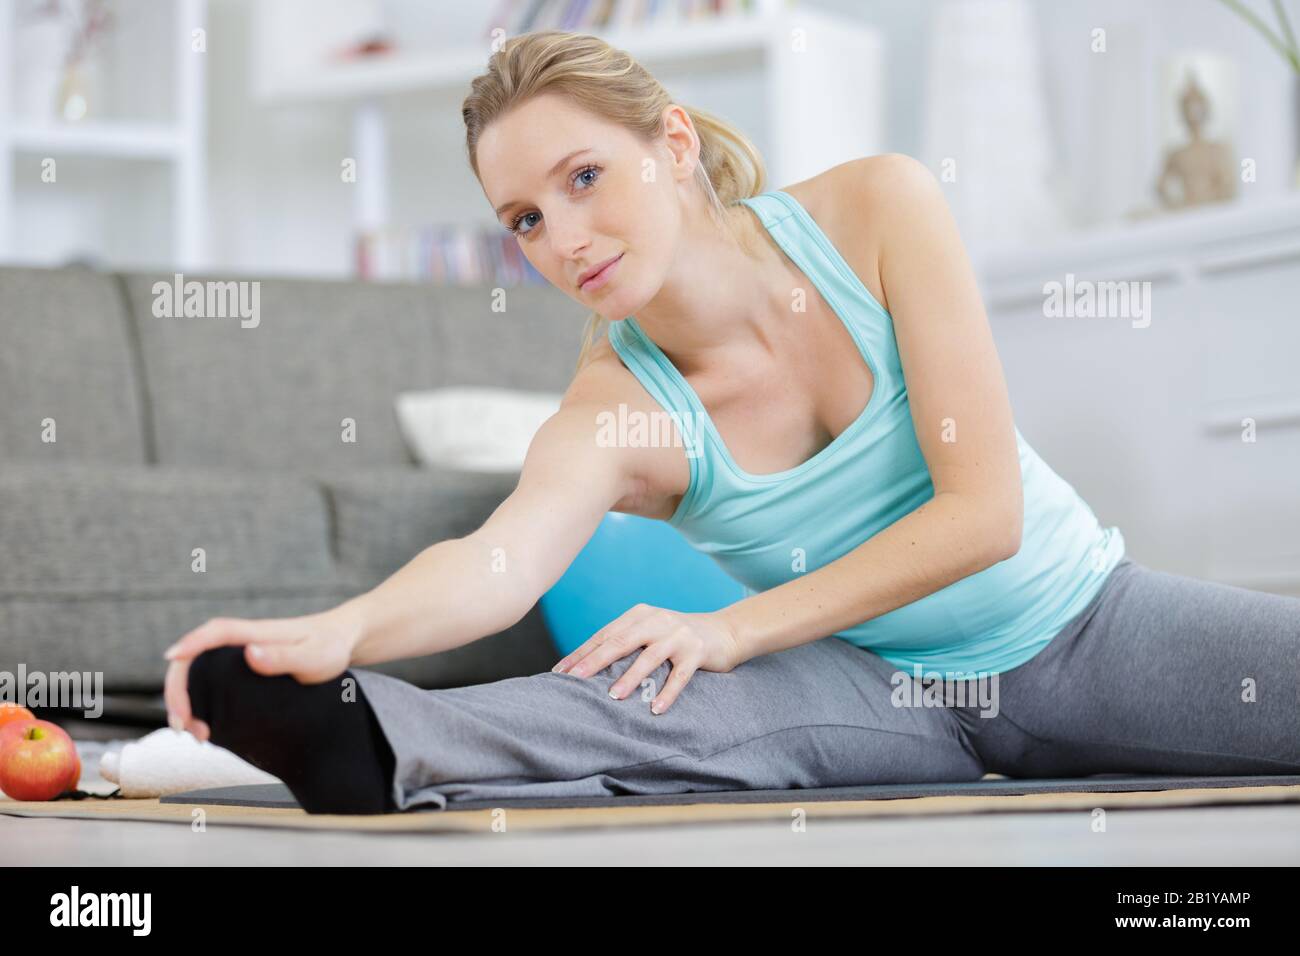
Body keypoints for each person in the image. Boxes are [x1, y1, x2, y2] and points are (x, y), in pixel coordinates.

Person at [163, 31, 1300, 815]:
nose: (563, 235)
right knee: (636, 699)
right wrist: (339, 632)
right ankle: (375, 742)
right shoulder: (612, 409)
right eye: (523, 216)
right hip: (867, 687)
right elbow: (493, 564)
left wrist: (738, 625)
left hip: (1081, 628)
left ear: (671, 144)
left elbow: (983, 512)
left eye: (584, 176)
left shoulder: (877, 210)